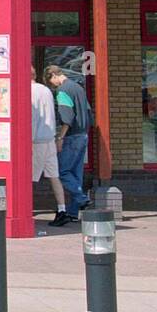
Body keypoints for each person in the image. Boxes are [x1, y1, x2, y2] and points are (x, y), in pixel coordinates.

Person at [46, 64, 91, 218]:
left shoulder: (63, 90)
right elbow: (88, 111)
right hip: (83, 134)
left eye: (51, 82)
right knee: (76, 173)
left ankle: (81, 198)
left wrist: (60, 137)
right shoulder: (78, 88)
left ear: (53, 76)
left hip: (71, 136)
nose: (53, 85)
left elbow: (67, 117)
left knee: (62, 171)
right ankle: (73, 212)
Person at [31, 65, 73, 226]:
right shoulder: (46, 90)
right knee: (54, 176)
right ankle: (62, 210)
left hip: (37, 140)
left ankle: (24, 209)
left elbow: (33, 117)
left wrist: (29, 140)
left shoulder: (30, 92)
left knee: (29, 178)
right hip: (49, 138)